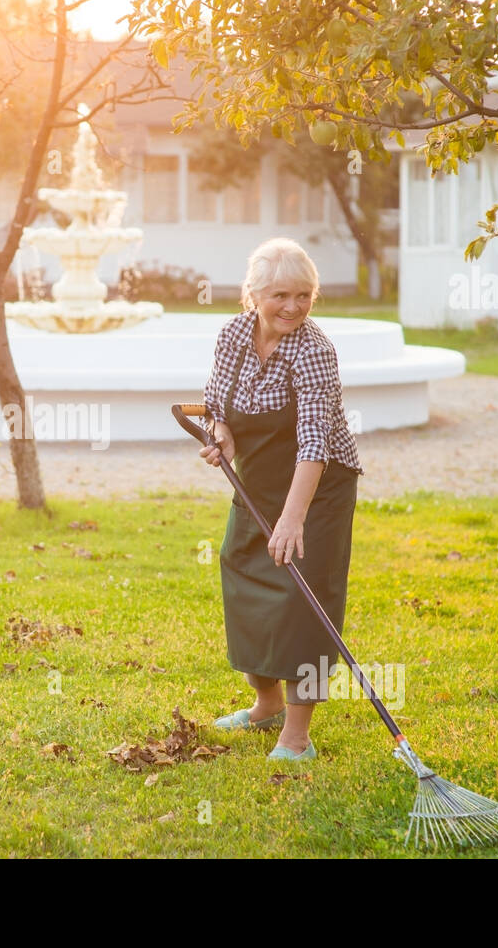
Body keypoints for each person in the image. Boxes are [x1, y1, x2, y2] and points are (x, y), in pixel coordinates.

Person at [198, 237, 364, 761]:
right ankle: (264, 704)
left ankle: (297, 735)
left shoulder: (314, 350)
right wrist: (220, 432)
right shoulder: (232, 335)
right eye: (280, 296)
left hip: (319, 488)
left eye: (304, 295)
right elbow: (215, 402)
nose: (292, 307)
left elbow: (314, 441)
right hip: (258, 481)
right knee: (242, 571)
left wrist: (293, 521)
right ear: (253, 295)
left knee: (302, 600)